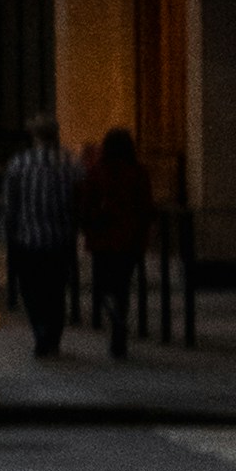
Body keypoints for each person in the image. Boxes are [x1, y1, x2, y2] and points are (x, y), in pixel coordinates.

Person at [78, 121, 159, 363]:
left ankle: (114, 317)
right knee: (123, 286)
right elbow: (146, 207)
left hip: (102, 239)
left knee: (103, 286)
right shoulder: (138, 172)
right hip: (130, 240)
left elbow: (85, 205)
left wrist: (89, 227)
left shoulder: (97, 172)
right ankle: (119, 323)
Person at [1, 115, 78, 358]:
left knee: (31, 289)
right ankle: (53, 336)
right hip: (60, 237)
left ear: (33, 136)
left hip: (28, 238)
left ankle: (40, 332)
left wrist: (9, 231)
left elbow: (10, 204)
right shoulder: (69, 163)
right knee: (56, 290)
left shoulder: (19, 163)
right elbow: (78, 200)